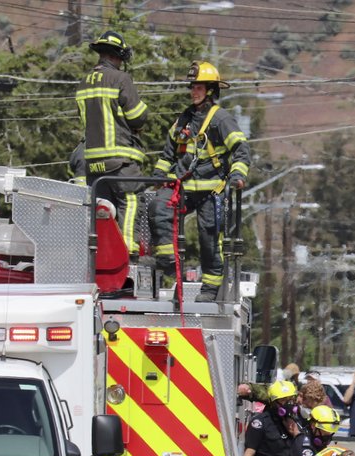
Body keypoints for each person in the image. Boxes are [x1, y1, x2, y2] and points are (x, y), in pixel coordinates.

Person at [150, 60, 250, 302]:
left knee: (209, 237)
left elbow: (241, 150)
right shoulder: (184, 119)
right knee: (157, 207)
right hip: (183, 188)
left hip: (210, 191)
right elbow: (168, 154)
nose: (194, 91)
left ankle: (209, 289)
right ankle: (167, 259)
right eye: (192, 87)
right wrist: (158, 177)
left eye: (199, 87)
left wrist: (237, 176)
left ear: (211, 91)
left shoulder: (221, 119)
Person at [76, 30, 148, 257]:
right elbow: (138, 117)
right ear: (117, 56)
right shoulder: (120, 79)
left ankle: (103, 254)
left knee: (103, 211)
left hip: (93, 164)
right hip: (120, 161)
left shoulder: (84, 82)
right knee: (130, 200)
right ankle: (127, 251)